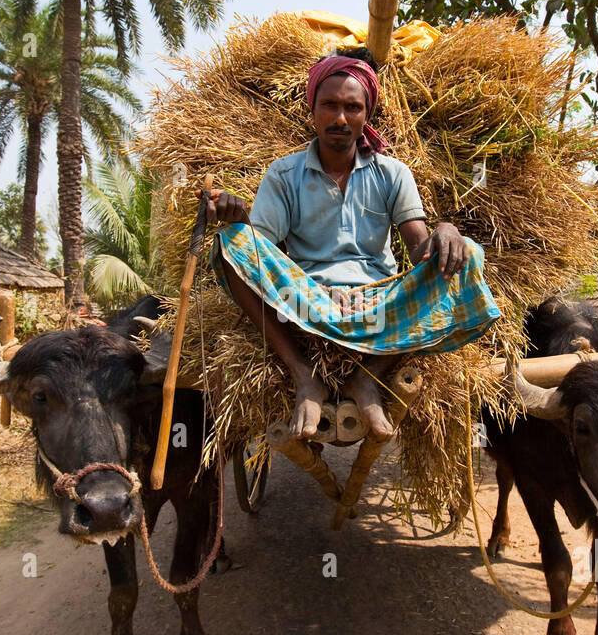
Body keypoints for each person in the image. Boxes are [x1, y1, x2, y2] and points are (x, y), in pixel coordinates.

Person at [202, 47, 501, 442]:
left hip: (381, 299)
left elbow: (418, 247)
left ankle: (368, 377)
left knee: (467, 253)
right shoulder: (284, 173)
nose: (340, 118)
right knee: (230, 244)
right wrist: (237, 219)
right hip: (307, 299)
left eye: (352, 107)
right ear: (313, 112)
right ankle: (304, 375)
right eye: (329, 105)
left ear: (366, 115)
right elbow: (260, 252)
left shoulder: (393, 173)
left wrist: (445, 229)